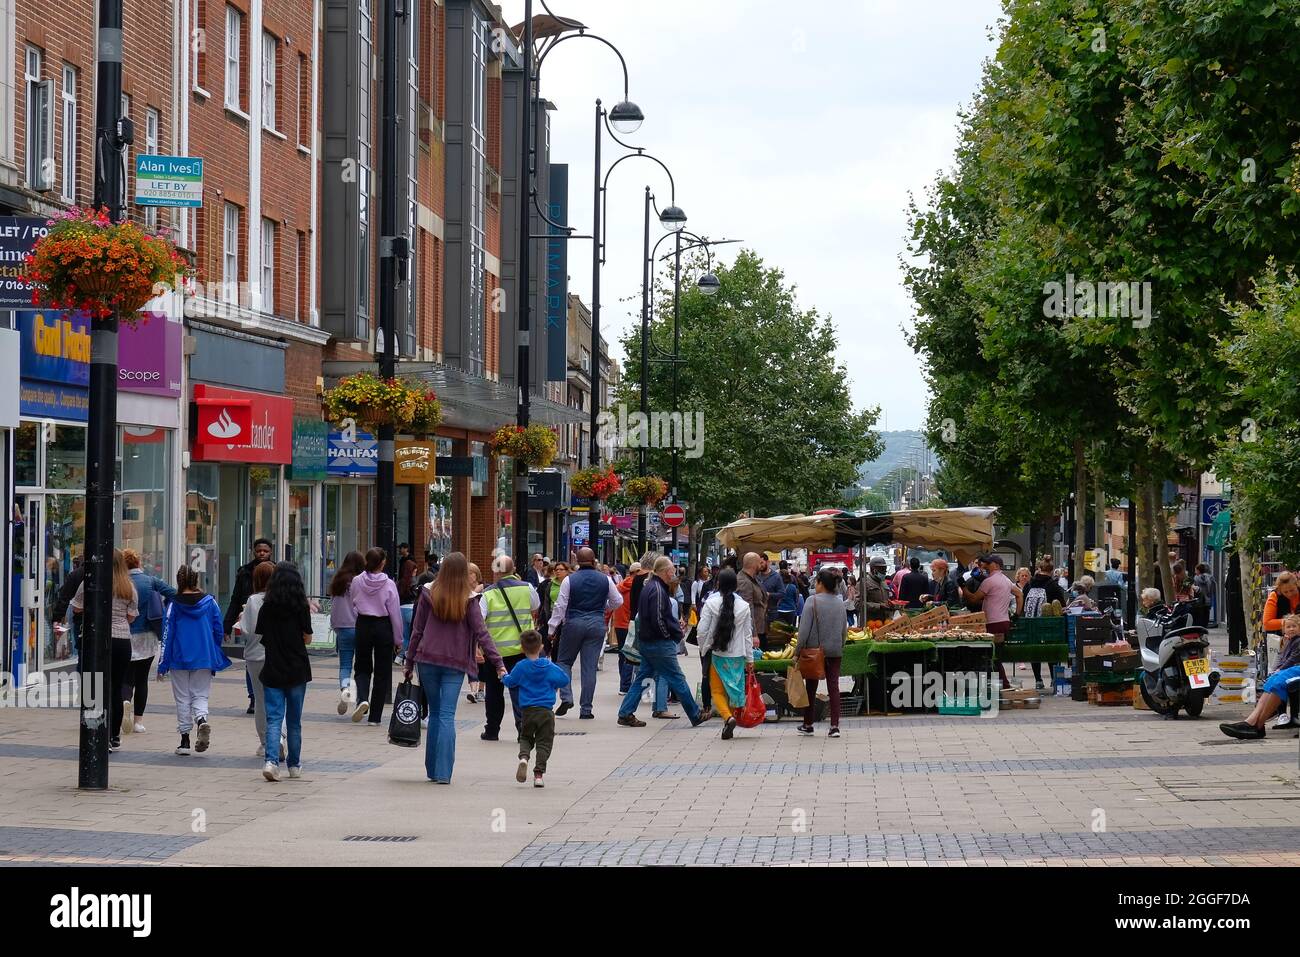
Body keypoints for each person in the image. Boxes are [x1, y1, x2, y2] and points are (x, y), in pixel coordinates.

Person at [406, 552, 505, 783]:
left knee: (435, 712)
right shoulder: (470, 599)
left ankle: (432, 769)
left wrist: (409, 661)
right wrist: (498, 663)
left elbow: (417, 630)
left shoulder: (428, 592)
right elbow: (482, 633)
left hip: (427, 660)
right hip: (455, 662)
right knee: (447, 715)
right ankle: (443, 773)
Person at [617, 557, 705, 728]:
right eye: (672, 570)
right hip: (658, 642)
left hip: (649, 641)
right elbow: (658, 618)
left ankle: (626, 712)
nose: (675, 572)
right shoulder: (657, 589)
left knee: (643, 676)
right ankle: (695, 714)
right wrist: (668, 635)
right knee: (677, 677)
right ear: (666, 571)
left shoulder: (652, 587)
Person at [70, 549, 139, 752]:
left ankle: (97, 731)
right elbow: (132, 616)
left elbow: (75, 607)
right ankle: (114, 736)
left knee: (95, 687)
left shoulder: (91, 583)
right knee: (116, 688)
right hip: (121, 641)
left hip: (97, 639)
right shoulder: (129, 587)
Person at [158, 564, 230, 757]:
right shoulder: (210, 602)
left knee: (182, 697)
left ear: (178, 581)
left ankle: (184, 741)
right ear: (196, 580)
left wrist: (162, 663)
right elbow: (218, 629)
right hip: (204, 655)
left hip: (178, 656)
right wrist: (214, 653)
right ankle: (201, 720)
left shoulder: (173, 604)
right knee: (200, 694)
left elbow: (167, 633)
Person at [549, 547, 623, 720]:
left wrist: (552, 628)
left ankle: (566, 697)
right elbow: (617, 601)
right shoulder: (606, 579)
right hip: (596, 623)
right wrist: (604, 608)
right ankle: (586, 709)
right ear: (594, 560)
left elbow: (560, 606)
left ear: (577, 562)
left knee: (564, 661)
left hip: (574, 622)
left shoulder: (569, 580)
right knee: (589, 668)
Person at [255, 562, 313, 781]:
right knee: (294, 720)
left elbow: (262, 638)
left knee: (274, 718)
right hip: (297, 667)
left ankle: (271, 761)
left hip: (273, 667)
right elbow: (307, 637)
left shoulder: (267, 606)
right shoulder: (301, 605)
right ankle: (294, 765)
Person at [478, 555, 539, 741]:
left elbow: (479, 621)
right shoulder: (527, 588)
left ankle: (492, 730)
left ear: (496, 572)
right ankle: (523, 730)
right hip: (522, 651)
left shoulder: (487, 594)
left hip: (495, 653)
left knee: (494, 692)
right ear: (513, 570)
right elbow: (535, 606)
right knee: (520, 690)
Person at [501, 629, 570, 787]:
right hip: (546, 711)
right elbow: (564, 680)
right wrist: (553, 685)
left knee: (526, 737)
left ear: (522, 648)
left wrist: (503, 675)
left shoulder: (521, 666)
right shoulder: (549, 666)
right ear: (541, 647)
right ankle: (538, 775)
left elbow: (511, 682)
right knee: (544, 742)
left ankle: (524, 757)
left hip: (527, 710)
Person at [696, 569, 756, 739]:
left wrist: (704, 647)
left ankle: (728, 718)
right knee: (732, 691)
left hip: (717, 655)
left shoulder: (710, 603)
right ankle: (727, 722)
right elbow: (747, 635)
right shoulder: (744, 606)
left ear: (718, 584)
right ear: (736, 585)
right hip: (738, 656)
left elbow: (701, 630)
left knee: (717, 691)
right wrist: (750, 659)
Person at [347, 548, 404, 726]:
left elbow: (352, 601)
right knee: (382, 671)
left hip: (363, 624)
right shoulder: (389, 584)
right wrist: (398, 639)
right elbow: (395, 613)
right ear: (382, 563)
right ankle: (375, 717)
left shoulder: (356, 581)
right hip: (383, 626)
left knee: (362, 666)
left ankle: (362, 698)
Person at [1221, 614, 1300, 740]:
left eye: (1294, 626)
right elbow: (1283, 659)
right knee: (1272, 681)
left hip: (1296, 668)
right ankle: (1251, 721)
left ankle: (1257, 725)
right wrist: (1276, 670)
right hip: (1292, 669)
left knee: (1278, 682)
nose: (1291, 629)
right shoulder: (1289, 641)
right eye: (1288, 627)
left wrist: (1279, 669)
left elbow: (1292, 659)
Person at [123, 548, 175, 736]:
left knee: (126, 678)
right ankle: (138, 722)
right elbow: (173, 593)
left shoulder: (119, 583)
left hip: (124, 635)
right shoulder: (151, 581)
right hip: (147, 636)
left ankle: (125, 702)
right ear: (138, 563)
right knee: (142, 679)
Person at [795, 567, 850, 737]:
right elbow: (844, 630)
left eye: (816, 582)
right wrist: (840, 645)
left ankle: (808, 723)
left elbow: (803, 631)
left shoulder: (812, 601)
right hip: (835, 650)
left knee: (811, 687)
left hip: (813, 651)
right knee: (834, 687)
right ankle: (834, 726)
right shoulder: (840, 602)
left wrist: (797, 651)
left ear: (820, 583)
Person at [224, 538, 274, 714]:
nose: (261, 553)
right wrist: (227, 624)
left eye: (265, 551)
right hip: (249, 617)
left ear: (270, 552)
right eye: (258, 550)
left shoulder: (278, 571)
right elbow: (235, 598)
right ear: (253, 551)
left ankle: (268, 694)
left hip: (272, 622)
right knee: (251, 659)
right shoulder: (245, 572)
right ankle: (253, 696)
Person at [238, 561, 280, 757]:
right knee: (279, 699)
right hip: (277, 654)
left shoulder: (253, 601)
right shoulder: (281, 598)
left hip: (255, 656)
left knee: (261, 699)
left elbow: (245, 630)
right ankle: (280, 737)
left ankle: (265, 742)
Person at [962, 554, 1022, 688]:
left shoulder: (989, 582)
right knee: (995, 654)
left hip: (993, 623)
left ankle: (1001, 684)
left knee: (991, 656)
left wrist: (963, 587)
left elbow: (973, 599)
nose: (986, 566)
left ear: (995, 564)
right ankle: (1000, 684)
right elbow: (1019, 594)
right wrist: (1017, 614)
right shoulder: (1006, 580)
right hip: (1003, 621)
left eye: (988, 564)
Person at [1022, 558, 1068, 692]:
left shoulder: (1029, 584)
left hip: (1030, 624)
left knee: (1034, 649)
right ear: (1052, 570)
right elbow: (1061, 605)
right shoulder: (1053, 585)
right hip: (1048, 624)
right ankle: (1054, 679)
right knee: (1050, 650)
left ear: (1039, 569)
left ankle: (1038, 680)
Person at [328, 550, 364, 715]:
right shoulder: (359, 582)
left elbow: (334, 607)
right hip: (359, 626)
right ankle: (359, 699)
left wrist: (335, 626)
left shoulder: (337, 582)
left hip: (342, 628)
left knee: (345, 665)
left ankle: (345, 689)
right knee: (361, 666)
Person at [613, 562, 639, 695]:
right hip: (631, 624)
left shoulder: (619, 586)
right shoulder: (638, 587)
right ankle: (626, 685)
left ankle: (623, 683)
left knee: (622, 654)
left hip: (619, 624)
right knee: (632, 656)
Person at [464, 562, 487, 704]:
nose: (467, 576)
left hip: (483, 630)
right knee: (471, 660)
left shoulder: (485, 590)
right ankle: (473, 690)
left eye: (470, 573)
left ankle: (480, 690)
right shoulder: (463, 591)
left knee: (482, 661)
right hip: (469, 631)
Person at [736, 553, 769, 649]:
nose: (761, 566)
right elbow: (747, 609)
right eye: (759, 563)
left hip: (759, 629)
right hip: (753, 632)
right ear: (754, 565)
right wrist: (753, 634)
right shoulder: (744, 581)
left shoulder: (752, 579)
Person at [859, 556, 895, 626]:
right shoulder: (864, 583)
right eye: (882, 569)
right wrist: (879, 606)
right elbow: (858, 604)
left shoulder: (883, 582)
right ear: (873, 570)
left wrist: (891, 605)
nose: (884, 572)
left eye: (885, 569)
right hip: (872, 623)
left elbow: (886, 599)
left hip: (885, 622)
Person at [759, 555, 785, 639]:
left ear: (768, 562)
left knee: (771, 638)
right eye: (758, 563)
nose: (760, 565)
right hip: (758, 613)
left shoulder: (776, 577)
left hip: (771, 612)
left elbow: (782, 593)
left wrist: (769, 594)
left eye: (762, 562)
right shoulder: (756, 576)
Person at [1194, 562, 1216, 628]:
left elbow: (1195, 589)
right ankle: (1205, 626)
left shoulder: (1196, 578)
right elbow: (1213, 588)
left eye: (1195, 570)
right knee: (1207, 613)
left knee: (1200, 614)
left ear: (1198, 570)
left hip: (1199, 600)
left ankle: (1201, 627)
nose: (1195, 572)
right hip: (1208, 598)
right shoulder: (1211, 578)